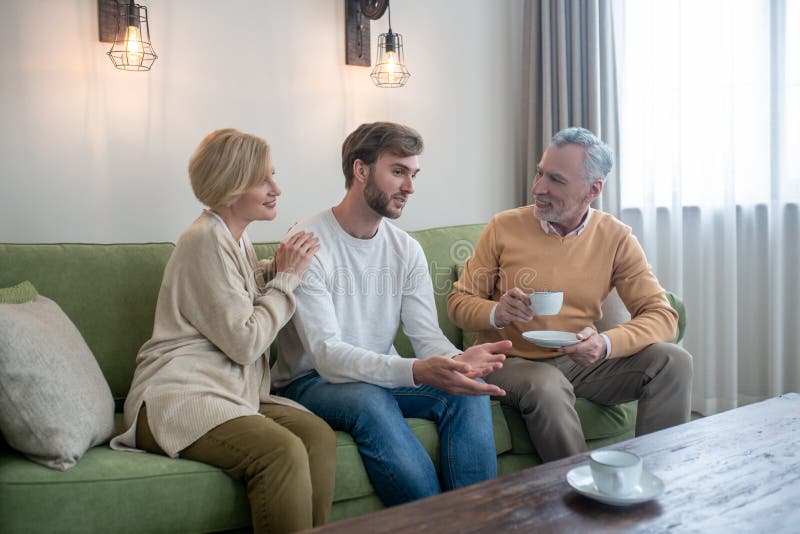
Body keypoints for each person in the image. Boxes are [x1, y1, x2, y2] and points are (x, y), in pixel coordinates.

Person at [272, 121, 511, 506]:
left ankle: (475, 518)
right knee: (370, 401)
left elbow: (425, 335)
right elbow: (328, 356)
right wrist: (415, 370)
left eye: (413, 174)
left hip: (376, 373)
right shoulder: (308, 243)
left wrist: (457, 361)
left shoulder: (406, 249)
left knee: (467, 391)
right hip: (309, 382)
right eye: (398, 172)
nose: (410, 187)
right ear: (360, 170)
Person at [110, 129, 336, 533]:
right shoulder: (204, 241)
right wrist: (285, 280)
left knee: (317, 436)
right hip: (177, 395)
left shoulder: (234, 235)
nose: (276, 188)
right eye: (262, 180)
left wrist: (277, 268)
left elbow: (235, 293)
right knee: (280, 451)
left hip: (230, 391)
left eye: (273, 175)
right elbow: (246, 343)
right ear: (231, 186)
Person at [447, 127, 693, 462]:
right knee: (547, 384)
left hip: (580, 362)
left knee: (673, 361)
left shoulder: (616, 237)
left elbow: (663, 316)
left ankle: (650, 481)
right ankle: (581, 490)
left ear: (593, 189)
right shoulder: (504, 227)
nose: (538, 188)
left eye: (556, 180)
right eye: (539, 173)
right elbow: (458, 303)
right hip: (509, 359)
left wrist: (604, 344)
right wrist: (497, 312)